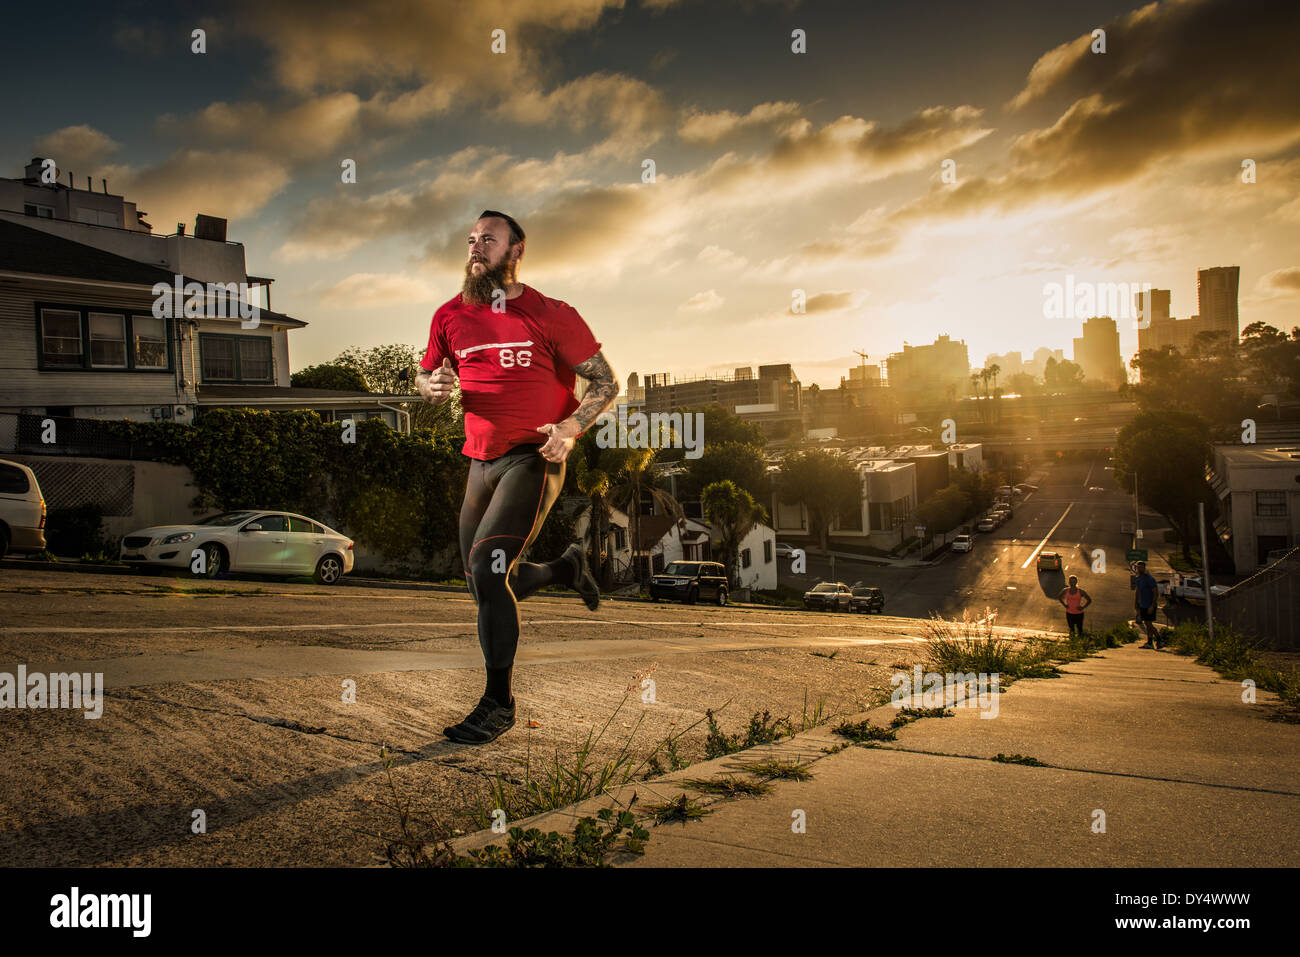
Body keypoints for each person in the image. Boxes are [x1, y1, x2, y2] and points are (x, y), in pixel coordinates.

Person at [416, 210, 619, 745]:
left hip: (534, 456)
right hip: (479, 463)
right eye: (471, 240)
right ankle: (564, 570)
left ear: (516, 249)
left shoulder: (552, 313)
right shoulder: (448, 316)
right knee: (481, 584)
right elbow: (428, 373)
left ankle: (498, 703)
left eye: (489, 239)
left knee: (487, 569)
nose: (476, 247)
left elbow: (604, 381)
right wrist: (430, 388)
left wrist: (572, 428)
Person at [1130, 560, 1161, 648]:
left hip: (1149, 605)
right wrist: (1136, 603)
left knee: (1148, 624)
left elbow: (1155, 592)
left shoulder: (1149, 579)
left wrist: (1152, 605)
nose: (1139, 569)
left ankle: (1159, 640)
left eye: (1141, 567)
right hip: (1142, 604)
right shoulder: (1138, 579)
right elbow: (1138, 591)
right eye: (1138, 567)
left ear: (1144, 568)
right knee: (1147, 624)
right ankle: (1150, 642)